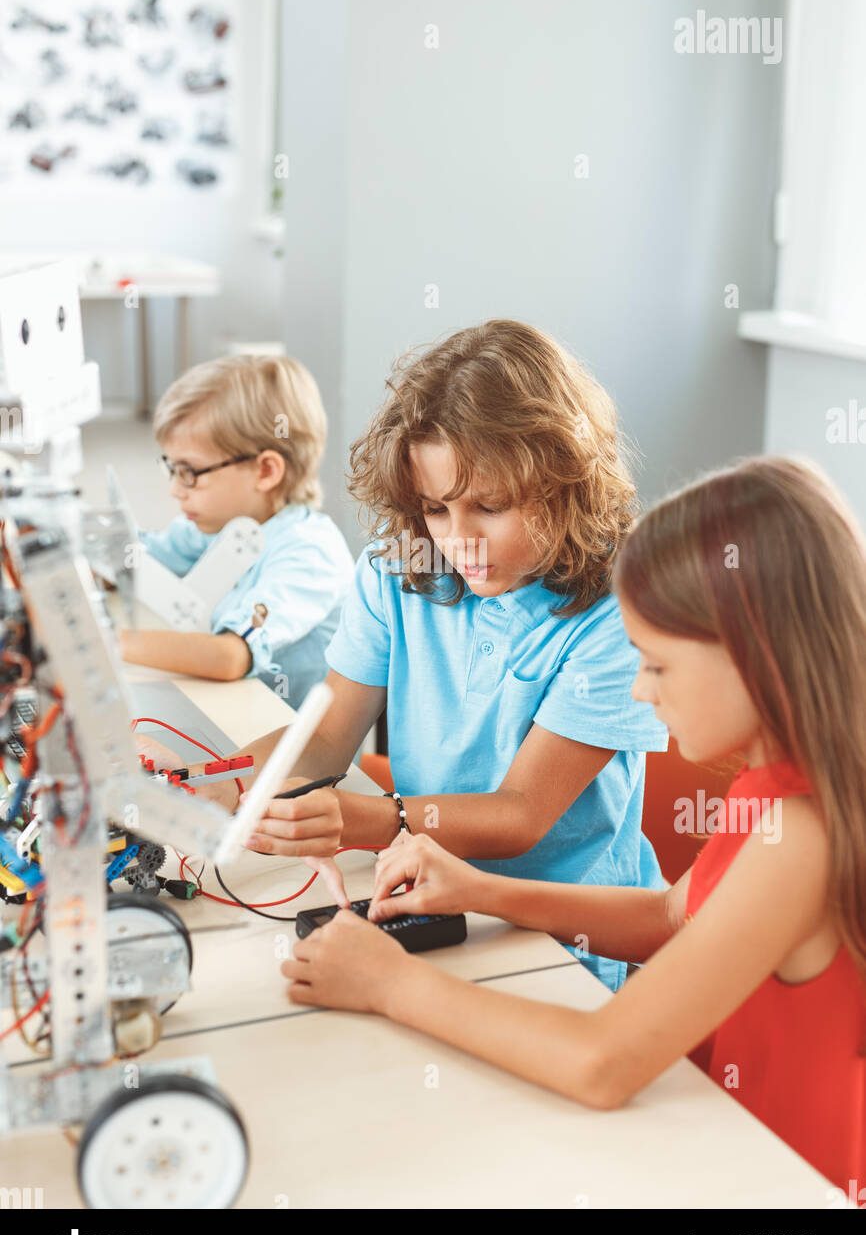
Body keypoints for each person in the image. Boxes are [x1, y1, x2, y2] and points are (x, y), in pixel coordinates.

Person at [280, 456, 866, 1193]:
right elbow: (673, 916)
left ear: (758, 657)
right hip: (716, 1141)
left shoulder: (802, 833)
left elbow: (602, 1062)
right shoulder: (777, 781)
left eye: (656, 665)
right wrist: (477, 888)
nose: (638, 689)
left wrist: (389, 984)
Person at [167, 320, 669, 992]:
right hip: (433, 901)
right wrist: (200, 783)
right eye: (435, 508)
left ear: (563, 480)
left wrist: (373, 820)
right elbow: (323, 739)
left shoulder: (617, 613)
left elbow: (520, 813)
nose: (459, 541)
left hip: (569, 943)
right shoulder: (400, 570)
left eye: (489, 506)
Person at [122, 353, 354, 705]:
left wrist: (107, 641)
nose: (175, 489)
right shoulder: (224, 524)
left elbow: (231, 656)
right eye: (172, 469)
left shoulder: (309, 552)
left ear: (265, 472)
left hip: (286, 748)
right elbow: (145, 554)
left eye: (190, 472)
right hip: (233, 717)